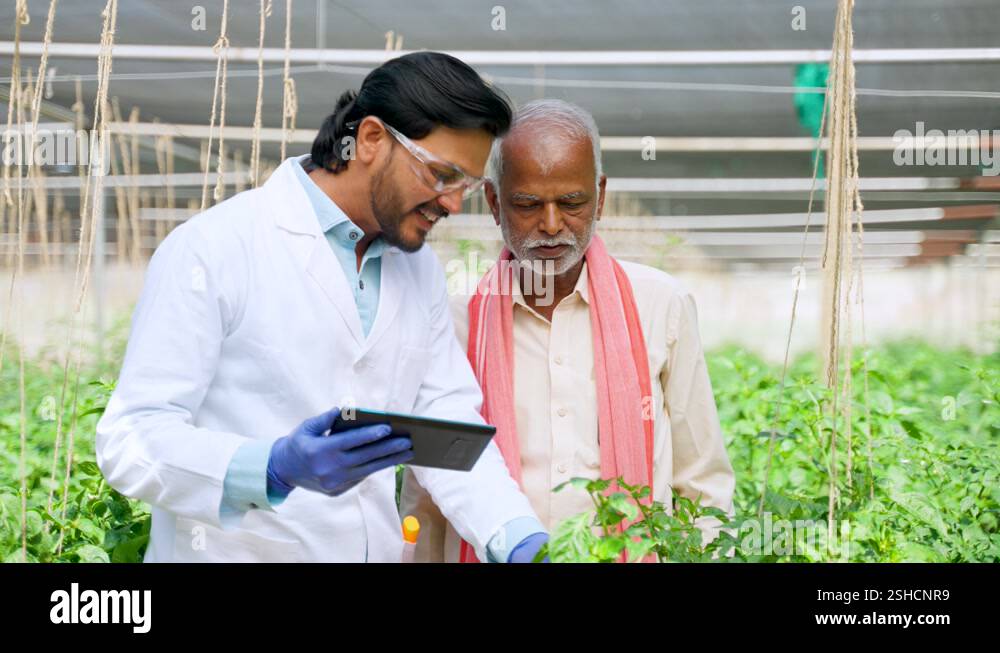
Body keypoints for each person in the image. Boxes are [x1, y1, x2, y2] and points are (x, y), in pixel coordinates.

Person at [96, 52, 548, 563]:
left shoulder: (417, 271)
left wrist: (514, 534)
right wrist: (269, 467)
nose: (452, 204)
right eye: (442, 175)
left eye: (464, 184)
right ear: (372, 140)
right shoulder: (216, 247)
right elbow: (130, 440)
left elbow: (444, 421)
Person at [400, 99, 735, 562]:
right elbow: (428, 496)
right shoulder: (455, 324)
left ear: (600, 195)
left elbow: (701, 482)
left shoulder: (660, 306)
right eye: (528, 204)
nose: (553, 225)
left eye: (572, 202)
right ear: (495, 203)